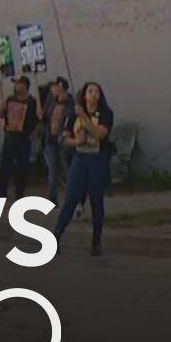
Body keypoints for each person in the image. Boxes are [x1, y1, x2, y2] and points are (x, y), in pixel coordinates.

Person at [56, 81, 115, 256]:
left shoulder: (105, 113)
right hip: (80, 158)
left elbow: (99, 134)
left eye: (97, 91)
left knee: (96, 199)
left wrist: (85, 117)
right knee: (71, 198)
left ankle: (96, 240)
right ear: (84, 94)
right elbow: (64, 138)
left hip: (98, 158)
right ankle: (56, 235)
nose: (94, 94)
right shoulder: (73, 114)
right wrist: (76, 142)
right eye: (90, 91)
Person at [0, 75, 41, 199]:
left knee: (22, 166)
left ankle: (19, 191)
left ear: (25, 86)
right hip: (10, 135)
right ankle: (1, 191)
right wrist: (2, 108)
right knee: (5, 164)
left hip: (24, 137)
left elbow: (37, 120)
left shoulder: (31, 101)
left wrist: (34, 133)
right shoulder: (10, 99)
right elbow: (2, 114)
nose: (16, 86)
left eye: (19, 84)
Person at [42, 77, 73, 203]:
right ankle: (52, 198)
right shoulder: (51, 101)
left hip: (64, 142)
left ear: (60, 87)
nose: (52, 90)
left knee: (68, 170)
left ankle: (73, 196)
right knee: (52, 170)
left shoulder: (71, 103)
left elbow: (70, 120)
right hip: (51, 139)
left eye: (54, 87)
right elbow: (46, 117)